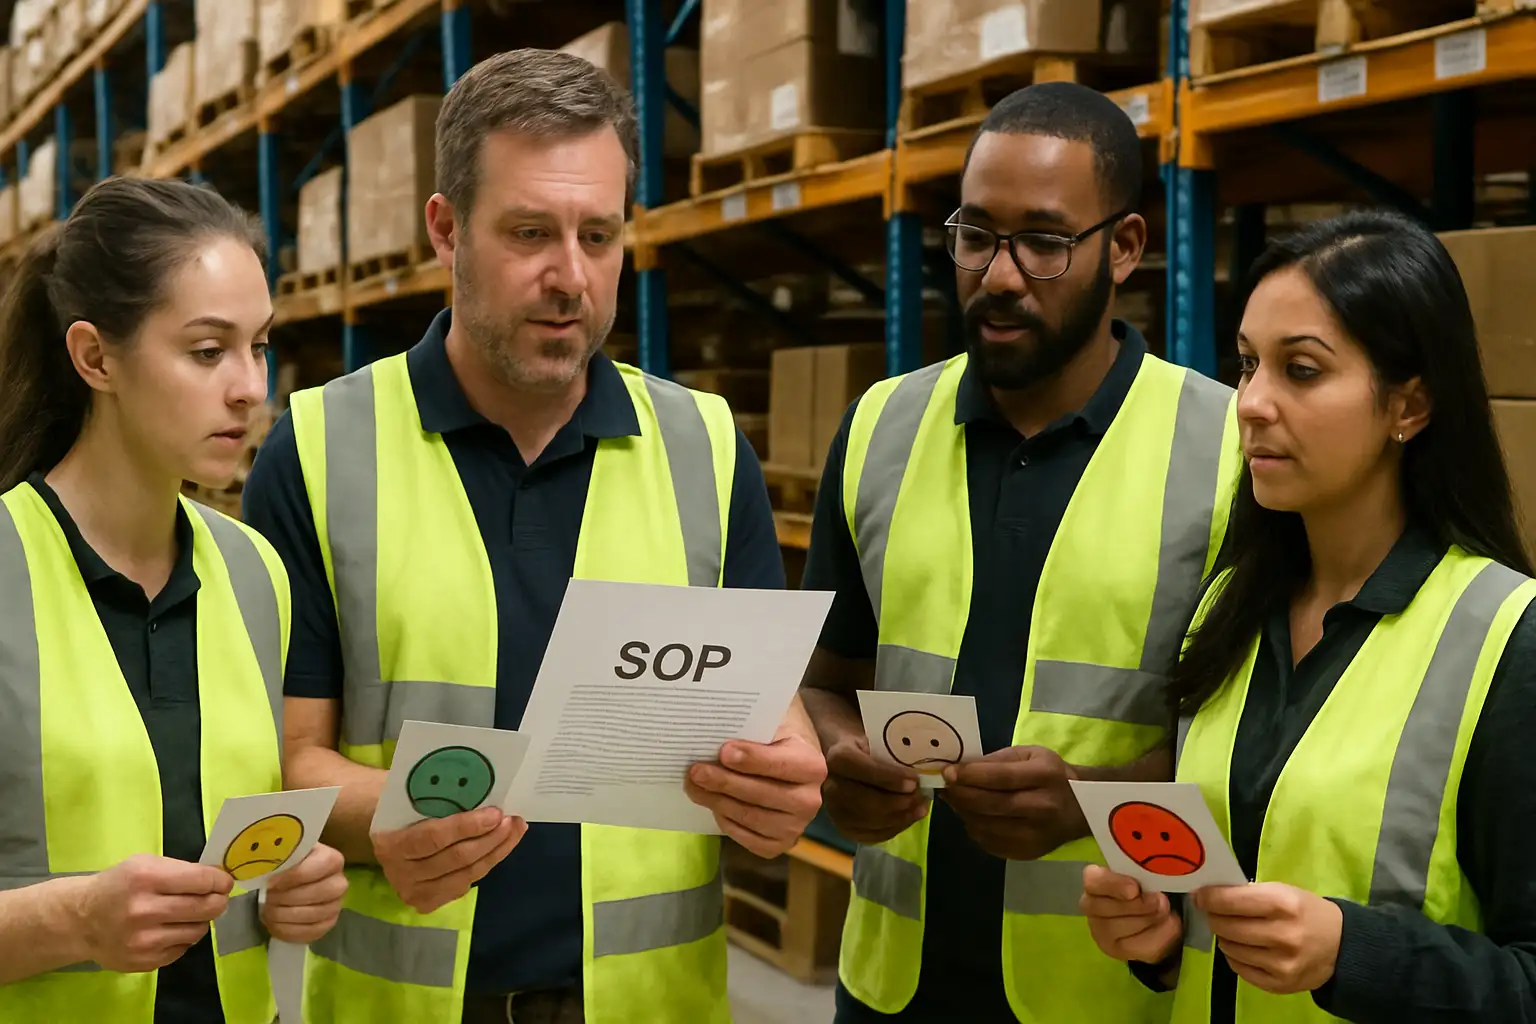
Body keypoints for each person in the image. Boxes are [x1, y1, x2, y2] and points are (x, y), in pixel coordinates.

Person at [242, 48, 827, 1023]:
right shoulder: (318, 450)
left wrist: (787, 770)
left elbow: (772, 711)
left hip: (651, 1002)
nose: (570, 277)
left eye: (599, 235)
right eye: (529, 232)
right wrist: (383, 814)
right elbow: (285, 756)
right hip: (410, 1002)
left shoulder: (705, 446)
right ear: (445, 229)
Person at [797, 81, 1242, 1023]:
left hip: (1109, 992)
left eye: (1043, 242)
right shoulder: (880, 427)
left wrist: (1089, 802)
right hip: (892, 984)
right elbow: (823, 676)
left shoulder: (1228, 451)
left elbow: (1267, 752)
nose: (998, 275)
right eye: (975, 235)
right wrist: (842, 756)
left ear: (1124, 249)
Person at [1081, 210, 1536, 1022]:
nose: (1250, 403)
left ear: (1411, 405)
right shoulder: (1226, 611)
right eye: (1249, 364)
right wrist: (1159, 938)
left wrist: (1352, 953)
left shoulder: (1504, 637)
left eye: (1301, 370)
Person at [0, 177, 349, 1022]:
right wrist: (72, 919)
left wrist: (287, 891)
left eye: (259, 347)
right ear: (95, 358)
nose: (248, 388)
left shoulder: (255, 571)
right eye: (206, 351)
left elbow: (230, 845)